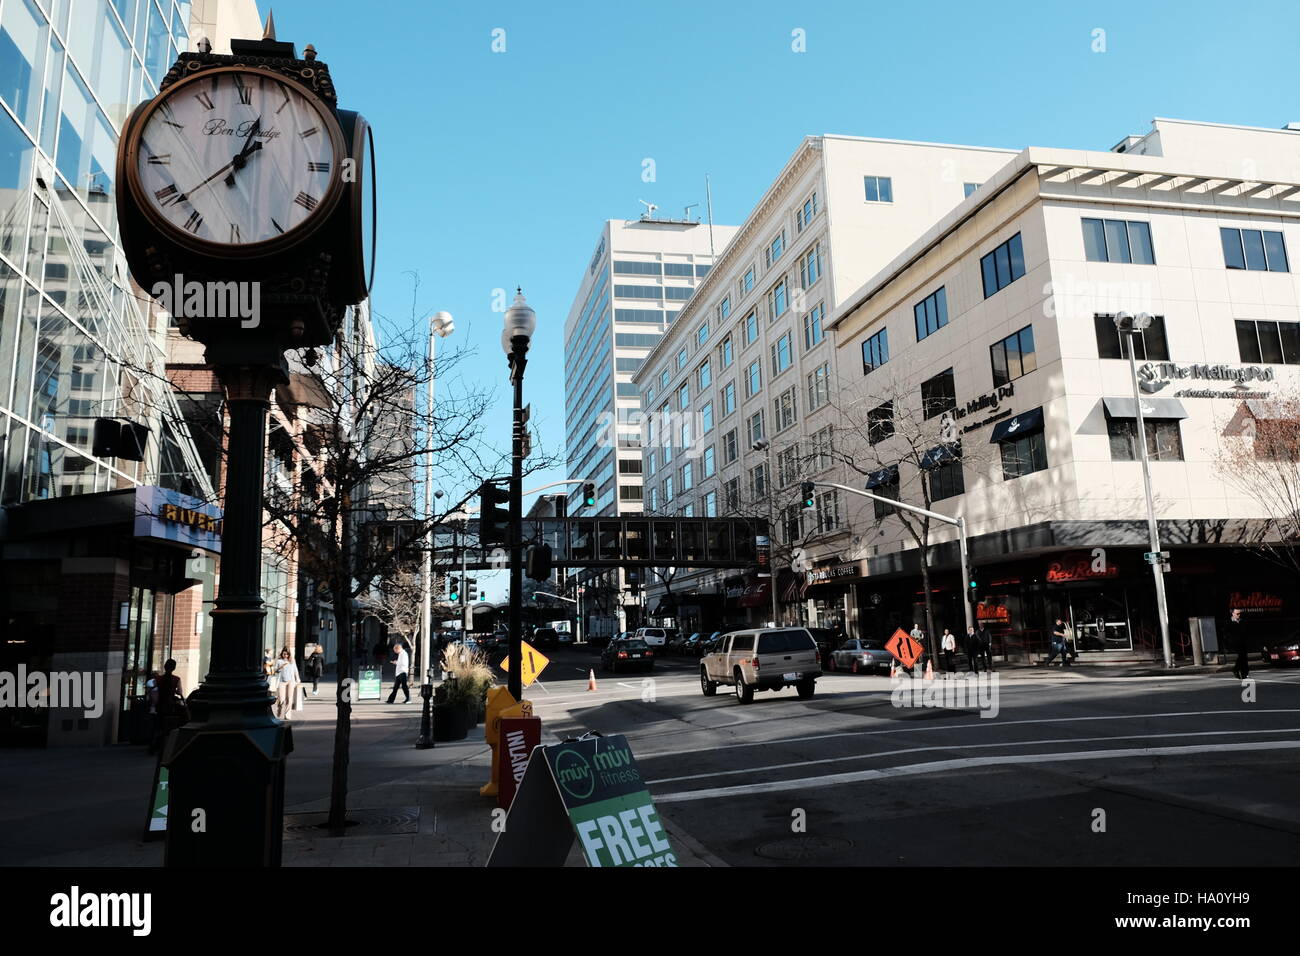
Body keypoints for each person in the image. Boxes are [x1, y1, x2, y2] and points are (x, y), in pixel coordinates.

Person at [149, 659, 186, 754]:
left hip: (159, 706)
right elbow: (180, 692)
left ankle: (154, 745)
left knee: (157, 726)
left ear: (165, 667)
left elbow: (152, 689)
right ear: (174, 668)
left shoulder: (158, 679)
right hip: (170, 708)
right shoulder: (176, 679)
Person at [273, 648, 300, 719]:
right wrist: (280, 667)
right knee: (281, 698)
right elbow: (275, 671)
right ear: (282, 654)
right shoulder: (279, 661)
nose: (286, 655)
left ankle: (287, 715)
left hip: (291, 681)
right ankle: (279, 708)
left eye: (287, 654)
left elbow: (295, 670)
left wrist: (298, 679)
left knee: (289, 698)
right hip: (282, 681)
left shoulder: (292, 661)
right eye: (284, 654)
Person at [1228, 608, 1249, 680]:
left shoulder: (1242, 622)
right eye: (1237, 614)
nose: (1239, 615)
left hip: (1243, 642)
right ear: (1233, 614)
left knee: (1244, 657)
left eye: (1240, 614)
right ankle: (1237, 670)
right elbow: (1226, 633)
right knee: (1241, 656)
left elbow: (1246, 632)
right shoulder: (1229, 623)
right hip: (1234, 643)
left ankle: (1244, 673)